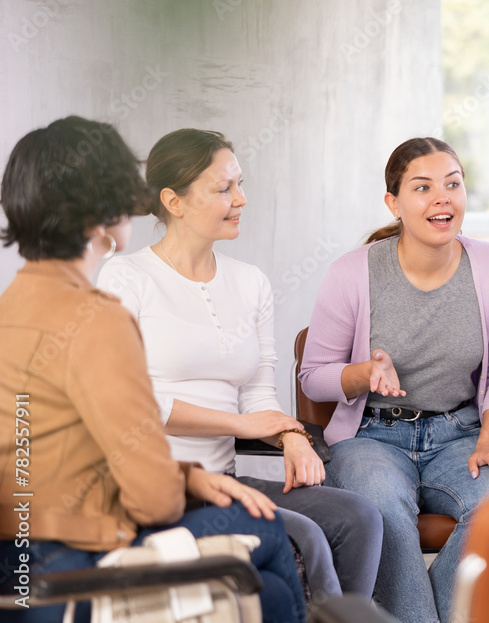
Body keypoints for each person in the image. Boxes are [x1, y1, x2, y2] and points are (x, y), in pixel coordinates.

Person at [0, 116, 305, 623]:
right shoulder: (96, 317)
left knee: (268, 591)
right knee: (267, 528)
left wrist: (188, 477)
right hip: (74, 569)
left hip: (16, 567)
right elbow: (154, 501)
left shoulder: (10, 309)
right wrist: (180, 482)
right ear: (104, 212)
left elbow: (59, 448)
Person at [96, 129, 382, 601]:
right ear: (173, 201)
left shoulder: (251, 283)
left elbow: (257, 393)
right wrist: (240, 424)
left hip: (225, 482)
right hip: (157, 493)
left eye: (240, 184)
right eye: (223, 188)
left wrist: (290, 436)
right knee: (305, 537)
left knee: (360, 517)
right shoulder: (126, 278)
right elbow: (129, 402)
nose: (241, 199)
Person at [299, 137, 489, 623]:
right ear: (394, 203)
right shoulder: (352, 272)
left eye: (453, 184)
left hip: (459, 435)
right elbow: (314, 378)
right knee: (380, 509)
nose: (443, 198)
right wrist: (364, 373)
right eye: (423, 188)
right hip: (371, 437)